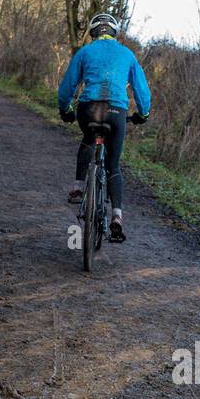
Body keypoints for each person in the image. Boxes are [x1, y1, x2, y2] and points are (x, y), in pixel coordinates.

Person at [57, 13, 151, 243]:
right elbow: (142, 91)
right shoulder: (127, 54)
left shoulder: (85, 52)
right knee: (113, 164)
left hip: (88, 109)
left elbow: (68, 86)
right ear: (114, 33)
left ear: (93, 32)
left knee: (89, 139)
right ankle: (117, 216)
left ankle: (79, 187)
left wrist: (65, 109)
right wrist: (142, 114)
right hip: (117, 113)